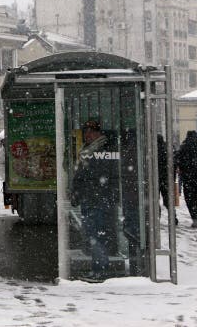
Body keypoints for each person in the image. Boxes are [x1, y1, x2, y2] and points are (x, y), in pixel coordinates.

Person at [71, 119, 120, 281]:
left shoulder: (102, 150)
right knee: (93, 235)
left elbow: (96, 175)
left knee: (96, 235)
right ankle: (97, 268)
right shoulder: (89, 150)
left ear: (99, 133)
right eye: (86, 132)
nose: (87, 135)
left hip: (97, 199)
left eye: (91, 131)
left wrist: (83, 188)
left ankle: (100, 270)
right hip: (91, 198)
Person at [177, 130, 197, 228]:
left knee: (189, 198)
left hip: (187, 177)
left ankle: (194, 216)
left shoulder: (183, 147)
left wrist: (182, 168)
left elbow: (177, 160)